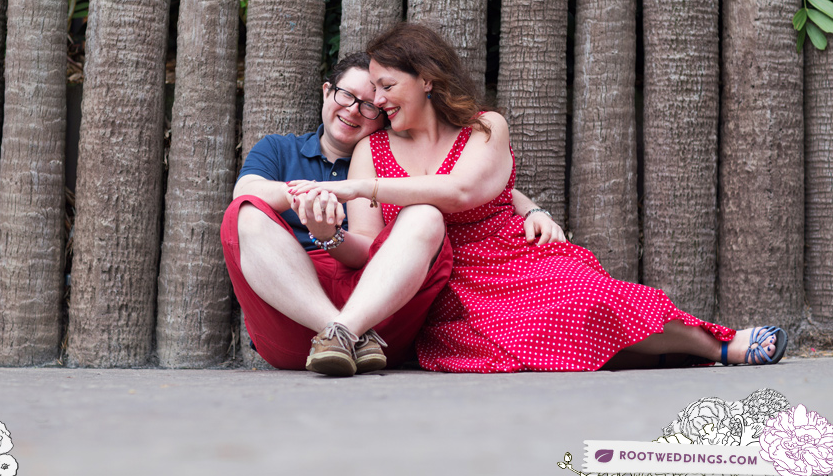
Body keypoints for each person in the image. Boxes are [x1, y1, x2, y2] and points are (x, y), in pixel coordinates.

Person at [287, 23, 789, 373]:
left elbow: (462, 190)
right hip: (445, 283)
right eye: (373, 87)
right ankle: (673, 357)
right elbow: (371, 251)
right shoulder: (371, 152)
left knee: (591, 301)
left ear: (428, 81)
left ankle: (721, 346)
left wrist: (358, 188)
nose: (376, 99)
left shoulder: (486, 127)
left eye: (386, 85)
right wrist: (331, 238)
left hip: (514, 258)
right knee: (521, 339)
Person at [221, 52, 554, 376]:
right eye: (347, 95)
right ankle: (343, 332)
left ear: (383, 112)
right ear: (327, 91)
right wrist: (310, 196)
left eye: (368, 105)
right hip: (293, 306)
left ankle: (346, 330)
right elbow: (246, 190)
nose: (353, 110)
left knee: (425, 213)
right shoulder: (280, 149)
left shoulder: (389, 153)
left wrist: (530, 208)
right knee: (245, 213)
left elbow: (470, 184)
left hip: (379, 308)